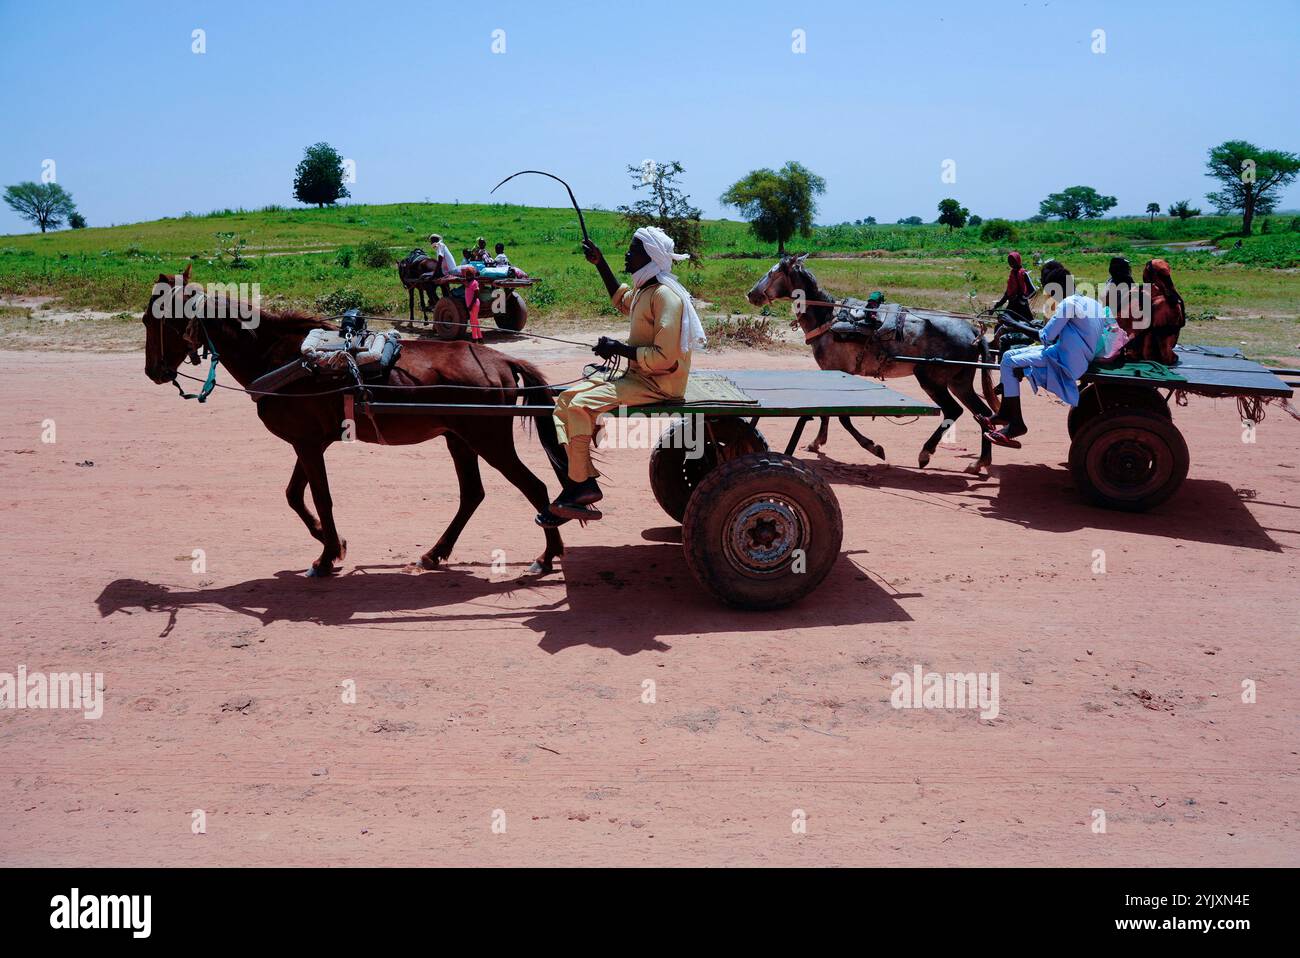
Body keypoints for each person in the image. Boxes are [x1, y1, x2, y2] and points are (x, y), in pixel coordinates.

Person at [543, 226, 706, 522]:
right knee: (565, 400)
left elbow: (664, 358)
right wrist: (600, 263)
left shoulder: (666, 297)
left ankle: (581, 485)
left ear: (651, 256)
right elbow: (622, 300)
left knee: (579, 405)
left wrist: (619, 348)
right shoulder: (646, 290)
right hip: (639, 377)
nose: (628, 254)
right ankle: (583, 481)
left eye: (634, 249)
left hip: (659, 384)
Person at [978, 261, 1105, 448]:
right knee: (1010, 355)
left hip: (1066, 359)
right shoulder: (1091, 302)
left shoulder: (1068, 304)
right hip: (1074, 354)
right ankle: (1006, 413)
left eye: (1051, 292)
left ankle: (1016, 424)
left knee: (1008, 361)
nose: (1051, 297)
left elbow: (1046, 337)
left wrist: (1012, 323)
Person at [990, 251, 1036, 324]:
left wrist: (1022, 298)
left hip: (1022, 308)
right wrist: (995, 307)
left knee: (1029, 328)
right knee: (1003, 323)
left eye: (1013, 260)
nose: (1011, 263)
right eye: (1009, 261)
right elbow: (1007, 295)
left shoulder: (1024, 273)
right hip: (1012, 306)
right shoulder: (1012, 275)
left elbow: (1033, 290)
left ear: (1018, 260)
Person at [427, 234, 457, 299]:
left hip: (449, 271)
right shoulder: (440, 246)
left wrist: (436, 271)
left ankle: (436, 301)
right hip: (448, 270)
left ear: (434, 240)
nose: (431, 243)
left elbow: (440, 257)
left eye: (431, 241)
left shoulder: (440, 245)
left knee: (430, 282)